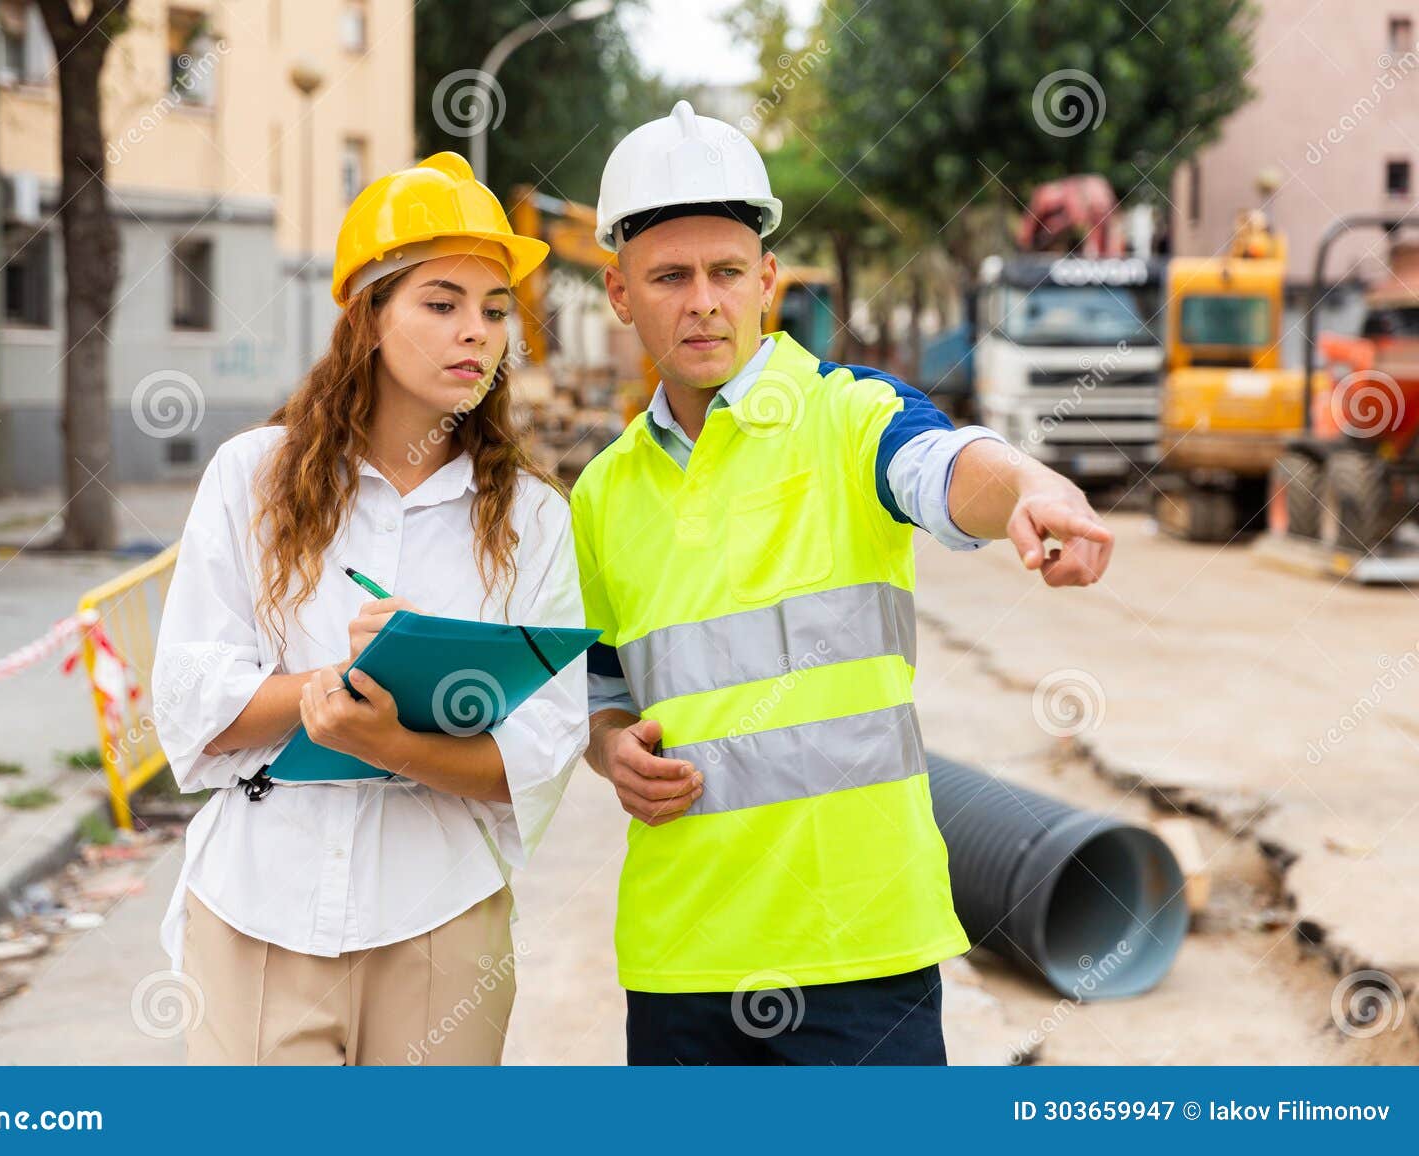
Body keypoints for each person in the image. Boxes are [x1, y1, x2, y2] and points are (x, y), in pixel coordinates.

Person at [571, 102, 1115, 1066]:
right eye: (670, 277)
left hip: (859, 955)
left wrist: (1029, 485)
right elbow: (604, 692)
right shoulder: (603, 494)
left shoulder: (843, 415)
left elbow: (943, 466)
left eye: (728, 272)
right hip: (680, 964)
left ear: (767, 280)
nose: (703, 301)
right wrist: (613, 752)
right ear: (619, 291)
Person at [150, 152, 587, 1066]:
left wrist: (392, 741)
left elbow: (540, 753)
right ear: (367, 317)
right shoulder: (254, 479)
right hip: (256, 909)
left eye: (495, 309)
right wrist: (333, 691)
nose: (477, 331)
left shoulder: (535, 519)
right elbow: (193, 697)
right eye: (442, 302)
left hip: (442, 917)